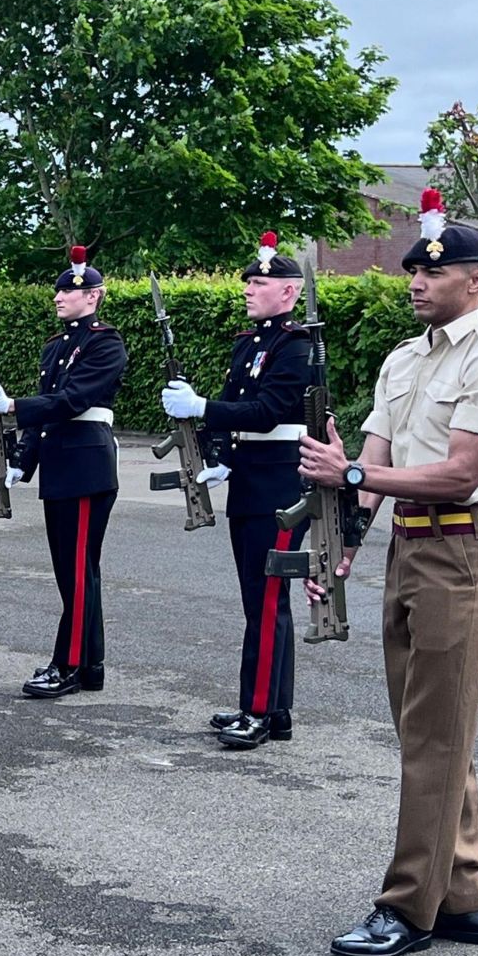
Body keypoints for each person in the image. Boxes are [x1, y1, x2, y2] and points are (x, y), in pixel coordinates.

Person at [295, 189, 478, 956]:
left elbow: (463, 472)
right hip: (412, 549)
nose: (417, 282)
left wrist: (354, 470)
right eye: (412, 273)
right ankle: (463, 895)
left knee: (433, 737)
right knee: (430, 730)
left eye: (434, 273)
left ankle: (408, 907)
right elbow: (374, 465)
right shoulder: (405, 359)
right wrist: (343, 542)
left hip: (465, 552)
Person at [161, 233, 313, 749]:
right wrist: (220, 457)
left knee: (270, 601)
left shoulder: (298, 346)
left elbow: (269, 411)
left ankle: (262, 711)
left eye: (260, 282)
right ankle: (270, 706)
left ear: (289, 293)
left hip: (282, 487)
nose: (248, 288)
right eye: (248, 281)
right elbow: (233, 411)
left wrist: (202, 408)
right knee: (257, 601)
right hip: (250, 481)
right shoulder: (248, 344)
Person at [0, 245, 126, 699]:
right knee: (73, 570)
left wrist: (12, 407)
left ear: (94, 296)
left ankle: (71, 664)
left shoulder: (104, 343)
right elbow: (48, 416)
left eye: (70, 291)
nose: (59, 296)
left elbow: (71, 402)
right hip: (62, 464)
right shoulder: (56, 347)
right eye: (59, 290)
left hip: (86, 465)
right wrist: (22, 461)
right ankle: (90, 663)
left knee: (78, 570)